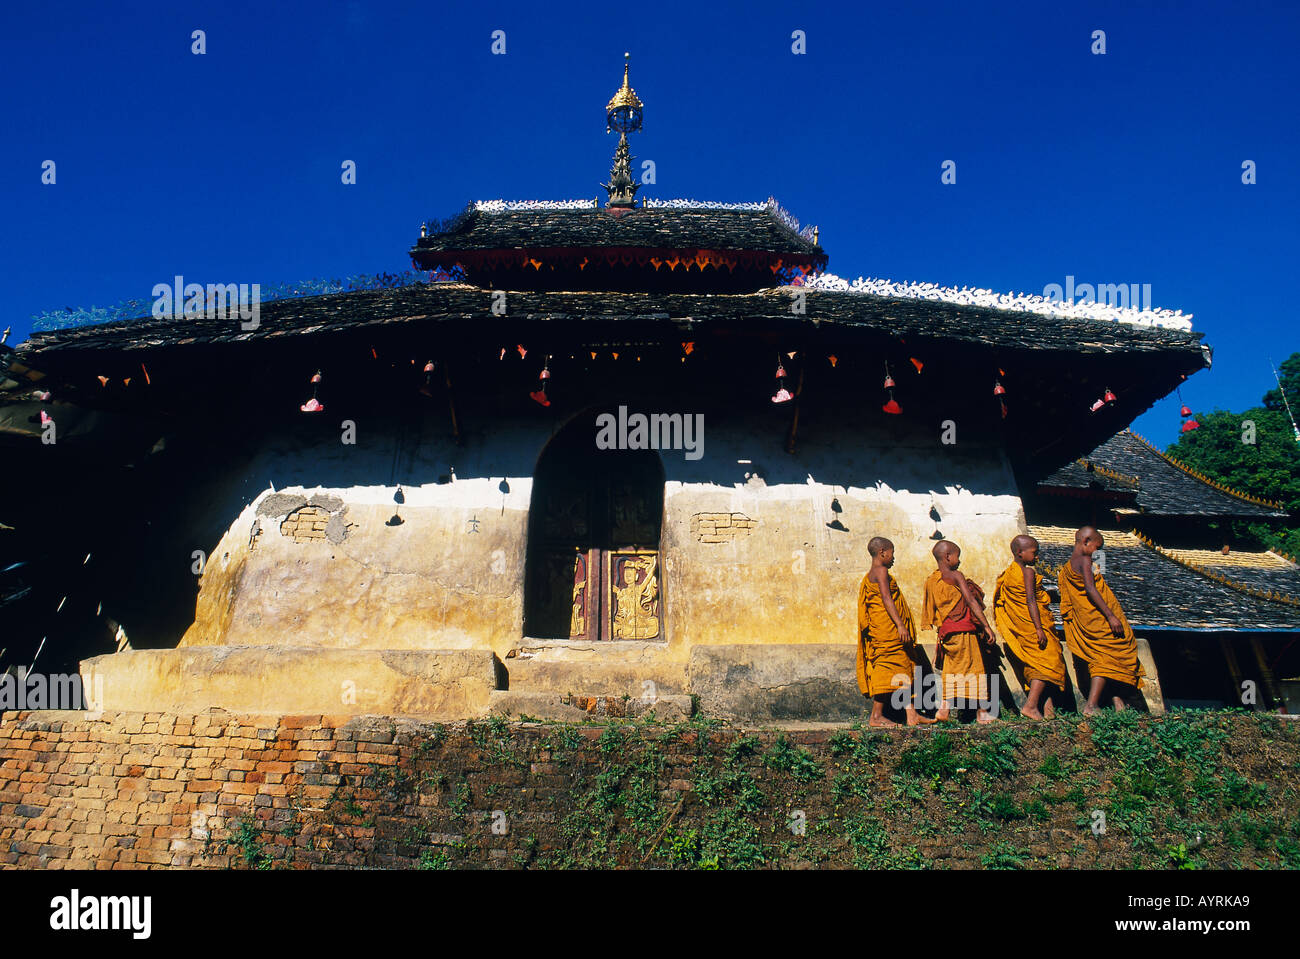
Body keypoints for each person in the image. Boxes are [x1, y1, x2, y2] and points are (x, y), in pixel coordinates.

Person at [1058, 526, 1144, 715]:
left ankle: (1117, 701)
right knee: (1105, 659)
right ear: (1086, 542)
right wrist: (1111, 615)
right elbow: (1090, 589)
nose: (1099, 553)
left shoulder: (1067, 567)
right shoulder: (1086, 559)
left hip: (1088, 619)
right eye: (1098, 547)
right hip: (1098, 619)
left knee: (1109, 659)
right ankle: (1091, 705)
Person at [856, 537, 931, 727]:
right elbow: (886, 598)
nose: (893, 557)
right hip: (886, 629)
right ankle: (876, 716)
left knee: (903, 666)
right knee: (886, 667)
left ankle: (911, 714)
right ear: (882, 552)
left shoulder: (871, 574)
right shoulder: (881, 571)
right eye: (892, 553)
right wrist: (900, 624)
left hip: (886, 628)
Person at [922, 540, 997, 723]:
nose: (959, 560)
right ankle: (982, 712)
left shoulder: (932, 580)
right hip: (963, 630)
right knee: (975, 668)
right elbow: (970, 600)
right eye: (957, 556)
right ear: (948, 557)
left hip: (947, 632)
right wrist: (986, 625)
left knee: (952, 669)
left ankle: (944, 710)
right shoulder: (956, 575)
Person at [992, 534, 1066, 719]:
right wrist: (1039, 628)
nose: (1037, 557)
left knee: (1038, 665)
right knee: (1048, 662)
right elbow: (1031, 600)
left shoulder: (1008, 573)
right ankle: (1031, 706)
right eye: (1035, 553)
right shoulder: (1028, 572)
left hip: (1022, 627)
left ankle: (1048, 710)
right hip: (1034, 625)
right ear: (1020, 552)